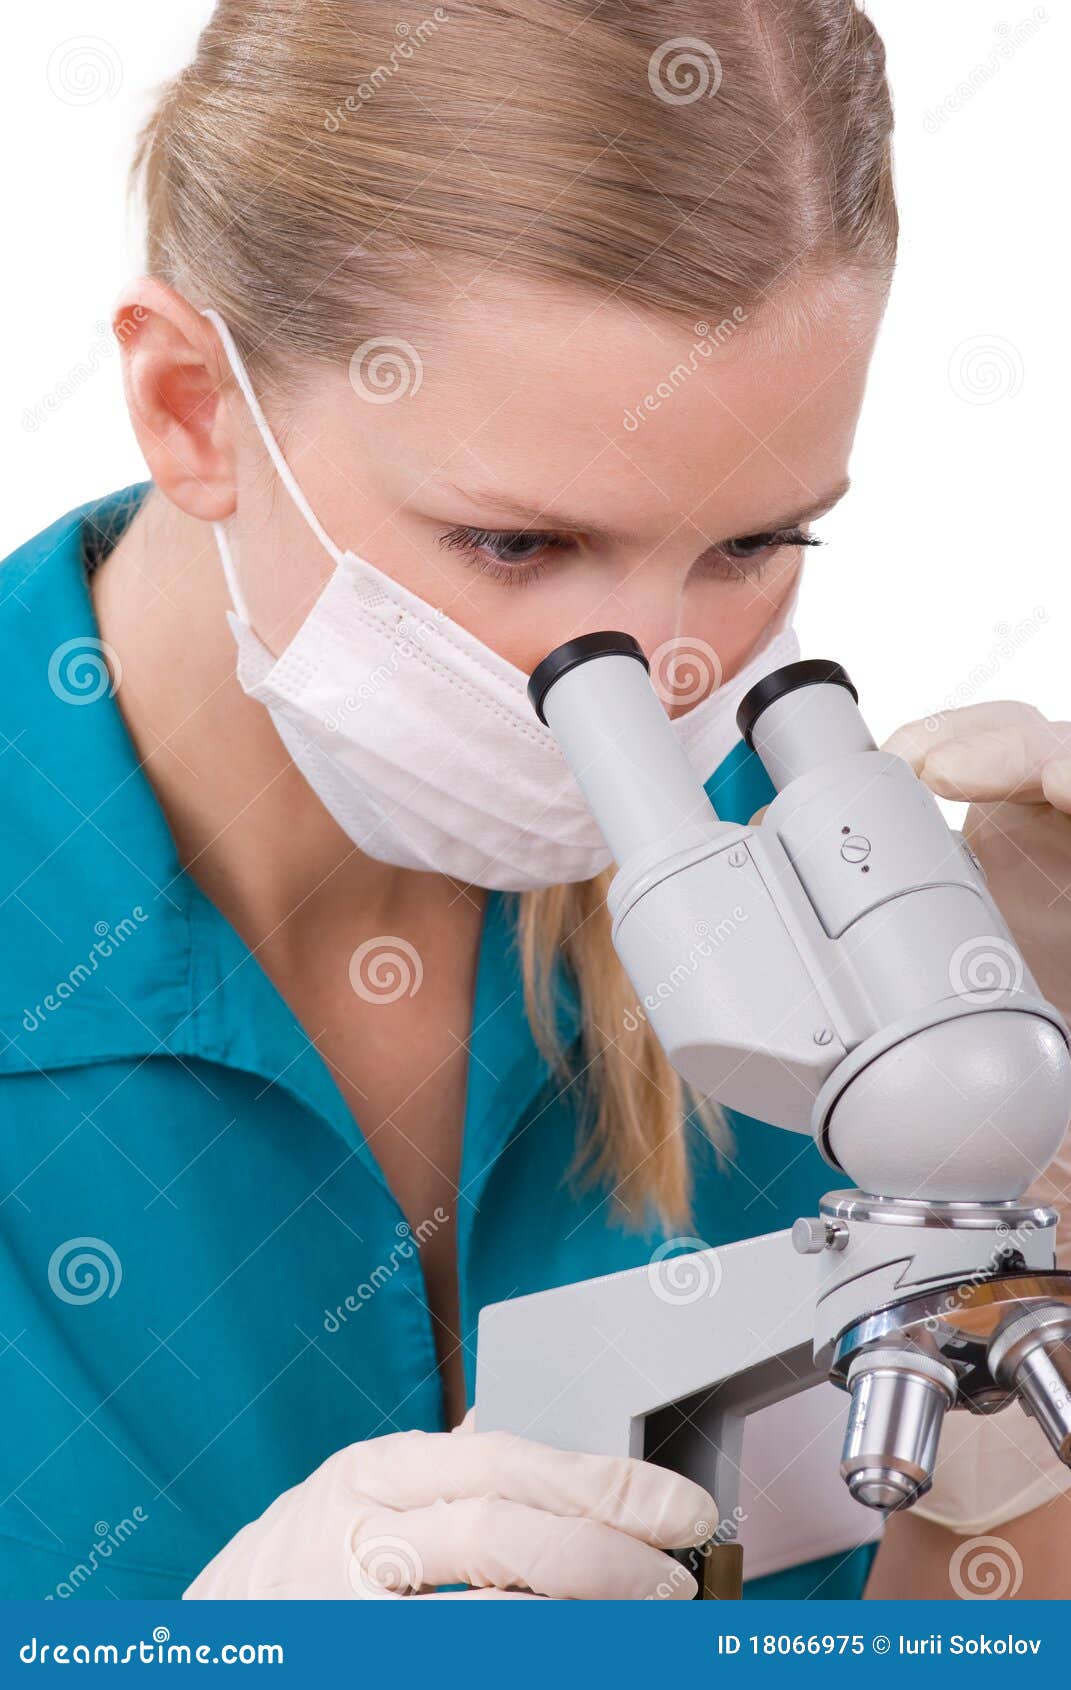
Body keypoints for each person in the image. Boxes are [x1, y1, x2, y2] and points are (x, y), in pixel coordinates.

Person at [2, 0, 1069, 1601]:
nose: (671, 680)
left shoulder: (838, 952)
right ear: (190, 410)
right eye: (520, 547)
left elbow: (943, 1610)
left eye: (757, 542)